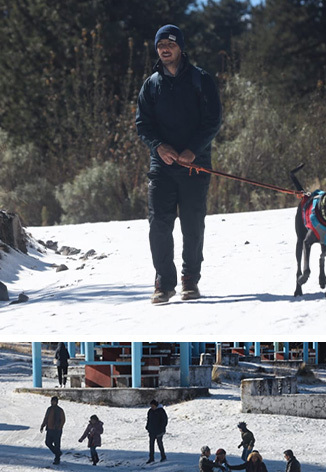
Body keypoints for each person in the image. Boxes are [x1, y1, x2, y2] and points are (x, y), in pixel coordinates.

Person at [135, 23, 223, 304]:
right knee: (158, 224)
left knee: (192, 225)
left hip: (195, 164)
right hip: (161, 165)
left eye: (170, 44)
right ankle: (164, 282)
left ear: (180, 48)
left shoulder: (201, 80)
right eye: (161, 44)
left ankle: (190, 280)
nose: (165, 49)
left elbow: (213, 121)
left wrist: (192, 151)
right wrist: (158, 146)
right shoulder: (151, 85)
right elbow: (143, 124)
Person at [40, 396, 66, 465]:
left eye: (54, 401)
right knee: (48, 442)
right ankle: (58, 453)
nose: (52, 402)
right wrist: (43, 425)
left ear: (57, 402)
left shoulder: (60, 410)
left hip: (57, 430)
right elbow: (46, 418)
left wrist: (59, 427)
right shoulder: (49, 409)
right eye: (52, 401)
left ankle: (57, 459)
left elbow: (63, 420)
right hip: (49, 429)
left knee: (57, 445)